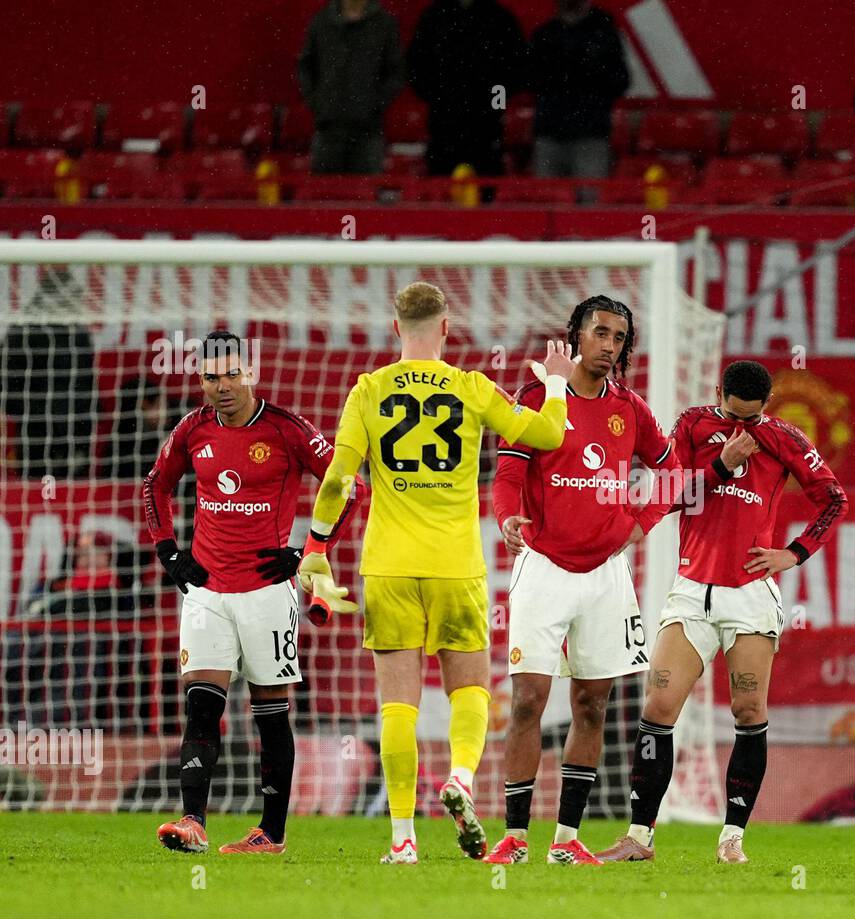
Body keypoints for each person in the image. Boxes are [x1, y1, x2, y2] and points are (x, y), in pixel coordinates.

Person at [298, 282, 575, 864]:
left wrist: (316, 549)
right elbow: (549, 436)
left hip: (390, 566)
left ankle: (402, 839)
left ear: (396, 327)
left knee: (398, 704)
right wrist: (553, 382)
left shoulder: (369, 390)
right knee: (469, 687)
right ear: (446, 328)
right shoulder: (472, 388)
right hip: (456, 564)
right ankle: (463, 779)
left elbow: (336, 481)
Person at [596, 360, 848, 864]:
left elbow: (834, 499)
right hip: (692, 591)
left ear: (767, 406)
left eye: (752, 419)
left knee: (749, 712)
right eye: (734, 415)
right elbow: (671, 493)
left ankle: (732, 839)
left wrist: (792, 553)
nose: (743, 427)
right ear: (718, 394)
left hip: (750, 596)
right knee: (658, 707)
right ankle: (639, 838)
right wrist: (722, 463)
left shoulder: (786, 438)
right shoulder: (692, 425)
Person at [144, 331, 364, 856]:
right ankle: (193, 821)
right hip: (207, 591)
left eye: (231, 373)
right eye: (210, 376)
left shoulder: (287, 429)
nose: (222, 385)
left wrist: (307, 550)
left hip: (268, 592)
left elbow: (346, 486)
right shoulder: (192, 429)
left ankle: (271, 833)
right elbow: (155, 484)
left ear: (251, 372)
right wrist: (169, 552)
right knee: (201, 707)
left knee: (270, 713)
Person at [486, 296, 683, 866]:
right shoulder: (538, 398)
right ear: (575, 334)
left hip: (606, 576)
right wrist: (506, 519)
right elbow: (507, 476)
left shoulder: (632, 410)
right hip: (544, 567)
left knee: (593, 705)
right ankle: (516, 837)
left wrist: (641, 522)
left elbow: (673, 474)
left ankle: (567, 841)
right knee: (527, 700)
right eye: (600, 332)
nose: (609, 345)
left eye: (619, 337)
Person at [406, 0, 526, 177]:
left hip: (487, 125)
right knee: (441, 187)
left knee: (486, 186)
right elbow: (417, 64)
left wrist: (495, 104)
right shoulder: (434, 16)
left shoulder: (499, 17)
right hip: (444, 123)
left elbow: (515, 69)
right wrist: (438, 99)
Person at [1, 268, 97, 479]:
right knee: (35, 495)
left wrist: (81, 433)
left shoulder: (78, 334)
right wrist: (39, 413)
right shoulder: (21, 333)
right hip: (34, 434)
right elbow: (8, 387)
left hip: (73, 433)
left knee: (74, 497)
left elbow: (87, 386)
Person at [298, 0, 403, 175]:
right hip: (328, 128)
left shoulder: (384, 23)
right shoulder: (322, 20)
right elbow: (306, 66)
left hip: (368, 130)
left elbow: (396, 72)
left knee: (366, 195)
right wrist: (318, 102)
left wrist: (375, 105)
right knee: (324, 196)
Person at [528, 1, 629, 183]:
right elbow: (529, 79)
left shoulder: (603, 35)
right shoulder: (545, 34)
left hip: (589, 134)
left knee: (589, 203)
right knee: (546, 199)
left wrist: (586, 75)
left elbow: (620, 81)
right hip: (551, 131)